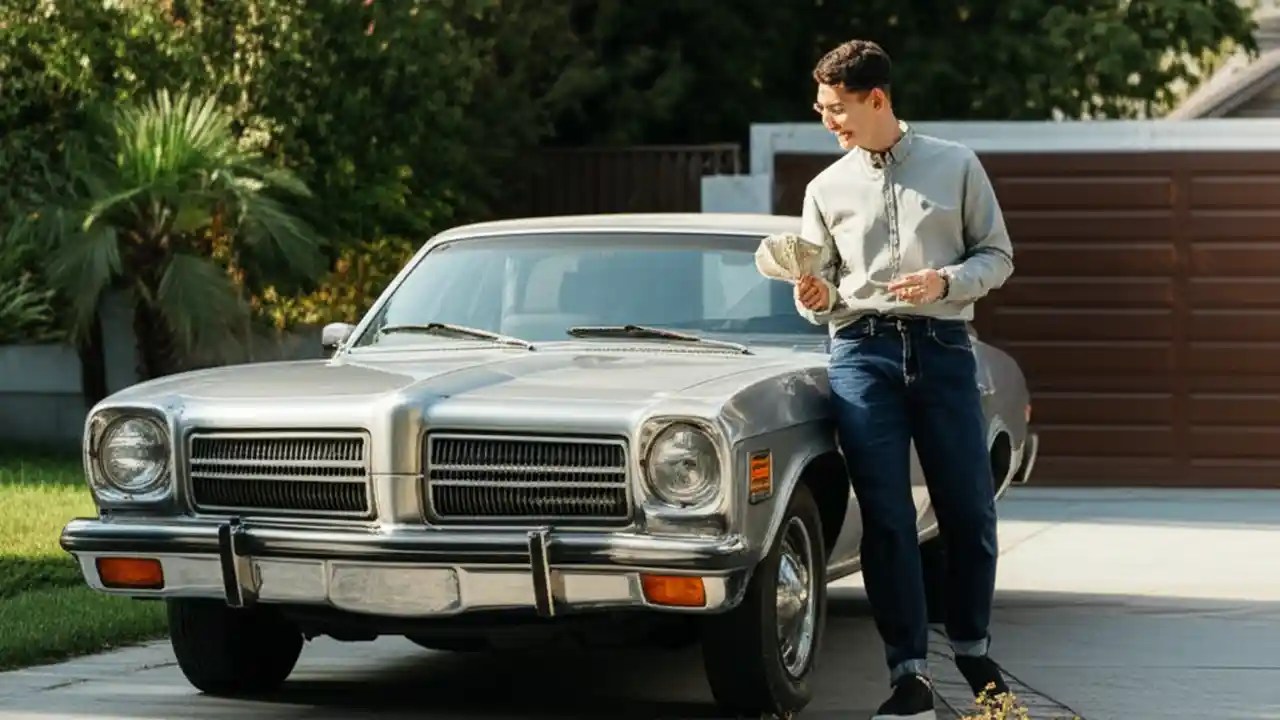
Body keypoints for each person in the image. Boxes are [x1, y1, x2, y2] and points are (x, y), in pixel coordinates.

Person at [793, 39, 1015, 720]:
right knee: (887, 519)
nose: (826, 119)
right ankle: (909, 676)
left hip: (944, 346)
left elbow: (998, 255)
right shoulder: (825, 189)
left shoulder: (957, 166)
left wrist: (946, 280)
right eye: (822, 107)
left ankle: (973, 649)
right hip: (861, 353)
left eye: (836, 108)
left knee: (968, 511)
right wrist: (814, 296)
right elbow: (819, 294)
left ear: (877, 99)